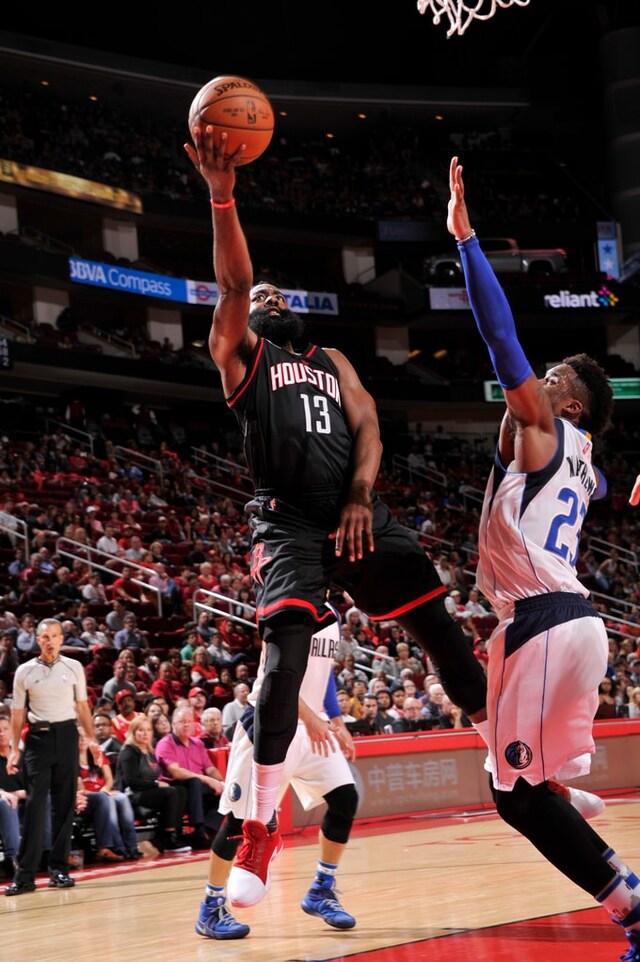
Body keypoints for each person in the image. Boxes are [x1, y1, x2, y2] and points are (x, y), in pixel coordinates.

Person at [183, 125, 602, 863]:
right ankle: (258, 825)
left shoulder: (333, 358)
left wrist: (361, 491)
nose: (271, 294)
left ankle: (516, 764)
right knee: (285, 648)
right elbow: (238, 286)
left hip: (358, 512)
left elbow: (370, 421)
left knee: (436, 625)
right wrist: (223, 198)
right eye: (265, 294)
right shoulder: (242, 354)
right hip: (288, 522)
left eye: (282, 291)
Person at [446, 155, 640, 960]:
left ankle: (630, 902)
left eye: (550, 378)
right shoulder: (585, 460)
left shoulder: (547, 427)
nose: (532, 380)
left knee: (512, 798)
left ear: (566, 405)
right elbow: (598, 489)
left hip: (543, 626)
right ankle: (568, 797)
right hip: (572, 625)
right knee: (529, 784)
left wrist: (467, 241)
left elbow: (500, 338)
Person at [194, 607, 358, 940]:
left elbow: (322, 672)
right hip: (269, 721)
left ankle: (321, 890)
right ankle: (210, 907)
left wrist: (337, 721)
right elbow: (275, 673)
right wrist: (314, 718)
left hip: (310, 726)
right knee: (239, 823)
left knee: (345, 798)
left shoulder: (331, 614)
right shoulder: (285, 605)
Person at [5, 617, 99, 895]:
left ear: (62, 639)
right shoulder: (24, 671)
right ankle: (25, 875)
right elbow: (17, 714)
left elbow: (82, 706)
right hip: (37, 739)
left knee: (64, 803)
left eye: (55, 636)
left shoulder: (74, 667)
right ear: (38, 640)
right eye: (45, 637)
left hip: (67, 735)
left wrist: (91, 738)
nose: (50, 641)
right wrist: (13, 749)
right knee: (35, 805)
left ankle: (59, 870)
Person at [115, 715, 190, 854]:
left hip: (148, 791)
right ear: (133, 732)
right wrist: (156, 784)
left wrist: (159, 784)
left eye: (148, 730)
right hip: (133, 793)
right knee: (171, 793)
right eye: (141, 730)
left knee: (181, 790)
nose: (145, 734)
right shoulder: (129, 752)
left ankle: (174, 833)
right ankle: (168, 837)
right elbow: (130, 781)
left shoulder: (150, 751)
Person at [155, 705, 225, 849]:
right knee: (194, 782)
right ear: (173, 724)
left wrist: (222, 782)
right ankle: (197, 830)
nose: (186, 724)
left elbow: (210, 769)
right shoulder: (165, 744)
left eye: (189, 721)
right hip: (176, 787)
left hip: (198, 787)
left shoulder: (198, 744)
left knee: (226, 793)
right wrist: (206, 779)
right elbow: (175, 772)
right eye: (182, 721)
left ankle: (207, 829)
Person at [76, 729, 141, 862]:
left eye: (85, 736)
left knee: (122, 798)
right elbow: (79, 788)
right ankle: (117, 847)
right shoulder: (70, 760)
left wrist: (105, 789)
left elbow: (109, 778)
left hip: (104, 792)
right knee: (106, 800)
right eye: (78, 737)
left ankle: (132, 847)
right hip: (87, 797)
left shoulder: (97, 754)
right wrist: (102, 794)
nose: (82, 740)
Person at [0, 714, 26, 879]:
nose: (1, 733)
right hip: (4, 805)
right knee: (6, 803)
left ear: (12, 732)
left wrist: (22, 793)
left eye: (5, 729)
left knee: (46, 799)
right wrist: (7, 794)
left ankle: (47, 853)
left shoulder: (22, 755)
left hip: (24, 802)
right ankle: (14, 859)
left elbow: (35, 784)